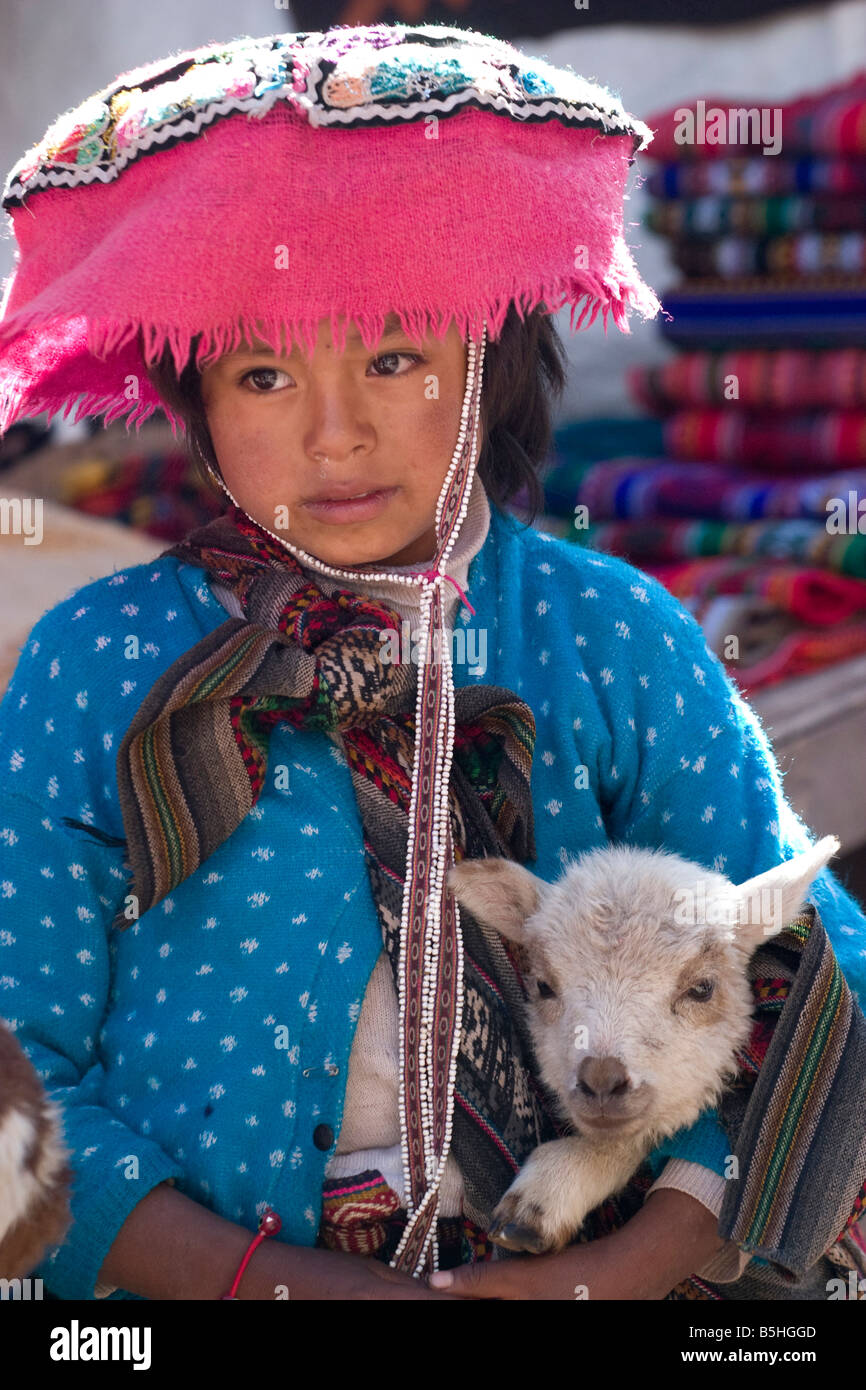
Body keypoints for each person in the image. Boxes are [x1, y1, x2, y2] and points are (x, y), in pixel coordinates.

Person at [0, 23, 864, 1303]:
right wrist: (278, 1289)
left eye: (394, 357)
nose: (335, 434)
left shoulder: (607, 635)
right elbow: (23, 1065)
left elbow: (806, 975)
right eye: (263, 372)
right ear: (192, 398)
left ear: (489, 359)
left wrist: (624, 1264)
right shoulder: (101, 659)